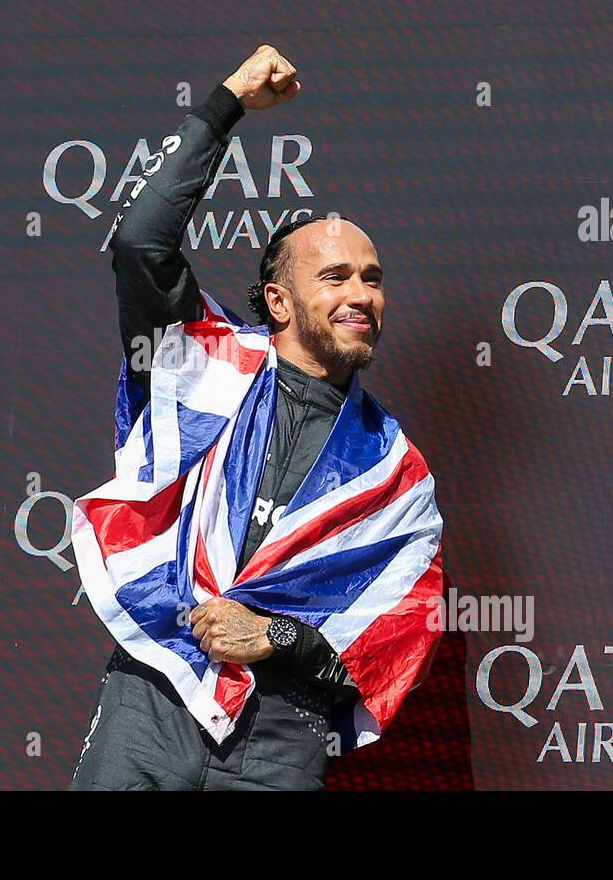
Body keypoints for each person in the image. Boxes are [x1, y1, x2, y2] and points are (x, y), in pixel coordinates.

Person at [71, 45, 435, 790]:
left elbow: (387, 652)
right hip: (154, 693)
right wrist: (227, 102)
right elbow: (141, 243)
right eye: (334, 276)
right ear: (278, 303)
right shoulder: (200, 365)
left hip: (281, 733)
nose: (361, 294)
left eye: (372, 278)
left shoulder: (399, 476)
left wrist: (275, 637)